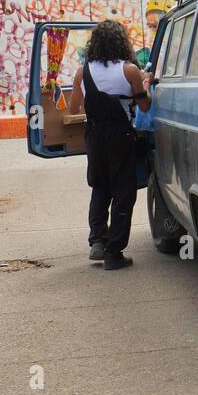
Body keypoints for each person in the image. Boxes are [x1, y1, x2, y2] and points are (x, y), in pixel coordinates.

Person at [67, 20, 150, 270]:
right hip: (121, 137)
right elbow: (145, 106)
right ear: (121, 42)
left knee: (100, 187)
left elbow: (73, 109)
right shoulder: (130, 71)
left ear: (96, 43)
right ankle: (114, 253)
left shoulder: (83, 72)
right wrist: (144, 84)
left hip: (94, 136)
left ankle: (98, 243)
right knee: (123, 192)